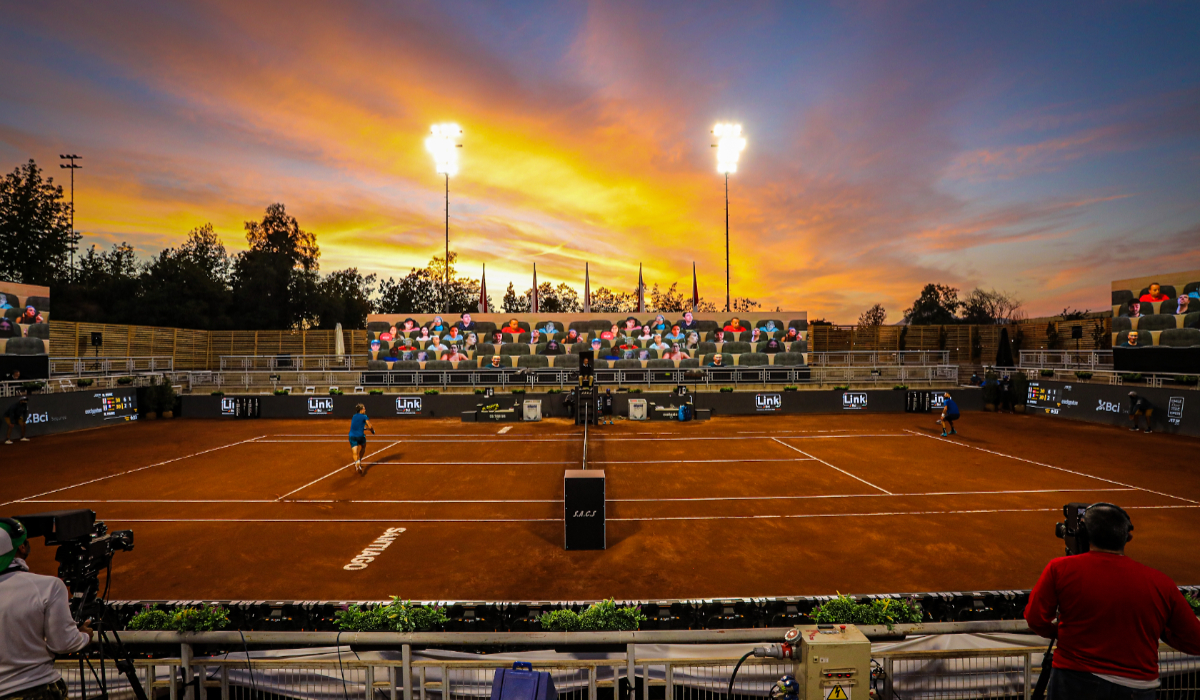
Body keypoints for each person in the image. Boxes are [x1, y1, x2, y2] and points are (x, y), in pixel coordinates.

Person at [1024, 503, 1200, 697]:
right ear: (1128, 537)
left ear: (1083, 535)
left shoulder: (1060, 569)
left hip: (1075, 679)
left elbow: (1035, 619)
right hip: (1139, 687)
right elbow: (1196, 640)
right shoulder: (1162, 583)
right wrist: (1161, 632)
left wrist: (1062, 632)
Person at [0, 517, 94, 700]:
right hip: (38, 688)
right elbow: (64, 644)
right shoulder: (49, 587)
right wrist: (84, 635)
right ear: (21, 547)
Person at [348, 404, 375, 475]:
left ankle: (357, 463)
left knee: (354, 452)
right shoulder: (364, 417)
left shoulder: (354, 416)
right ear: (361, 410)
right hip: (360, 436)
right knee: (363, 446)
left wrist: (364, 428)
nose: (365, 410)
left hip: (352, 436)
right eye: (364, 408)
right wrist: (372, 431)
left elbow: (357, 426)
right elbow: (370, 426)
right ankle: (359, 460)